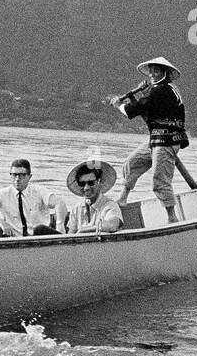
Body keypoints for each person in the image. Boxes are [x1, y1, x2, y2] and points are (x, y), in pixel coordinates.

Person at [109, 56, 189, 224]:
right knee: (132, 163)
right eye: (151, 70)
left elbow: (133, 111)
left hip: (167, 141)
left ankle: (172, 217)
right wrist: (142, 94)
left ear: (164, 72)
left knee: (160, 180)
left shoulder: (161, 90)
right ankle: (122, 198)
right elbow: (150, 108)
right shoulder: (164, 89)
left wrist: (118, 105)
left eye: (156, 70)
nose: (152, 73)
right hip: (157, 138)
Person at [0, 158, 62, 236]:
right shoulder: (3, 194)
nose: (17, 179)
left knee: (39, 228)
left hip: (40, 237)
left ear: (29, 176)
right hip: (17, 240)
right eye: (14, 175)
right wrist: (1, 221)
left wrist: (60, 224)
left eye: (22, 175)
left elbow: (59, 203)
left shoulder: (39, 191)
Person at [57, 160, 123, 234]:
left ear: (99, 182)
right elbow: (71, 235)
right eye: (82, 184)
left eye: (91, 183)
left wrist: (84, 230)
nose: (86, 188)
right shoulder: (77, 208)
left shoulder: (110, 205)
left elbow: (113, 225)